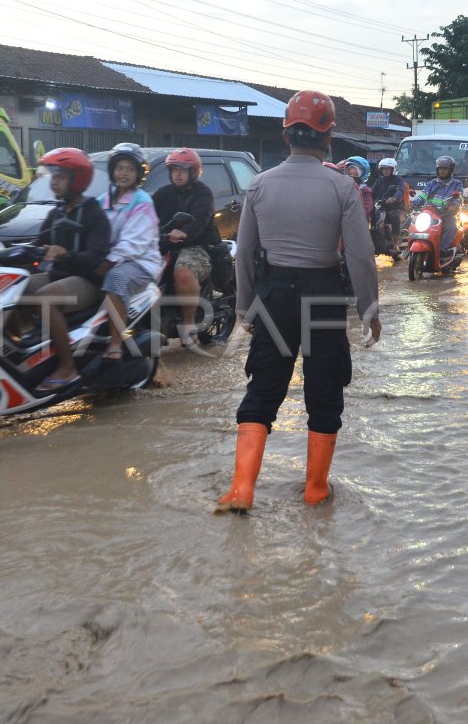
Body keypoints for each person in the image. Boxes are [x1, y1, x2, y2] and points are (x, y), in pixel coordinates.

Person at [217, 89, 382, 513]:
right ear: (328, 137)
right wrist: (369, 311)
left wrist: (243, 309)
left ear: (286, 134)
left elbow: (245, 254)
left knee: (263, 390)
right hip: (323, 296)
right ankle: (314, 491)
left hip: (272, 299)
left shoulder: (260, 184)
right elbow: (361, 257)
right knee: (324, 391)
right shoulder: (342, 187)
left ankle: (241, 490)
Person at [22, 147, 112, 393]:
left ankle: (67, 367)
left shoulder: (94, 213)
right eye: (53, 176)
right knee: (12, 287)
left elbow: (96, 257)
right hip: (57, 275)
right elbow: (38, 243)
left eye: (60, 176)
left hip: (86, 281)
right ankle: (18, 352)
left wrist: (66, 254)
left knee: (46, 299)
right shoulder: (56, 212)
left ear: (77, 179)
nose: (54, 182)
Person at [98, 143, 161, 361]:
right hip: (109, 259)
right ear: (112, 170)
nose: (123, 173)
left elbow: (133, 244)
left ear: (138, 174)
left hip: (140, 262)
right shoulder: (103, 200)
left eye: (129, 169)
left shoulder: (142, 201)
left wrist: (106, 263)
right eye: (120, 168)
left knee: (115, 278)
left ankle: (115, 342)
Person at [152, 148, 219, 347]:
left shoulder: (203, 193)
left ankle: (188, 325)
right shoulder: (163, 193)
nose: (177, 174)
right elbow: (148, 215)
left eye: (182, 170)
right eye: (173, 170)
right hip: (165, 245)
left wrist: (185, 233)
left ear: (193, 172)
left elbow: (199, 220)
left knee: (183, 271)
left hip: (197, 246)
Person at [416, 155, 464, 258]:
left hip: (447, 214)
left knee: (452, 227)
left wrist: (454, 206)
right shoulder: (432, 183)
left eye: (445, 168)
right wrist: (414, 203)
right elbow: (423, 195)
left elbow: (459, 197)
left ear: (450, 170)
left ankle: (442, 250)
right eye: (440, 168)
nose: (442, 171)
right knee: (410, 223)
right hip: (429, 214)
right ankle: (403, 246)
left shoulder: (456, 184)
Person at [373, 157, 408, 250]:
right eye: (383, 168)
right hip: (382, 207)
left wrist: (394, 198)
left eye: (388, 168)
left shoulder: (398, 180)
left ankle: (396, 243)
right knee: (372, 217)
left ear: (393, 169)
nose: (385, 171)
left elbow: (400, 190)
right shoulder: (379, 181)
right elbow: (372, 193)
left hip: (396, 207)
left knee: (394, 216)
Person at [343, 156, 375, 227]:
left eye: (355, 174)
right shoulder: (343, 188)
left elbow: (366, 210)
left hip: (359, 226)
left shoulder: (366, 191)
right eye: (349, 174)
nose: (352, 177)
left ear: (362, 176)